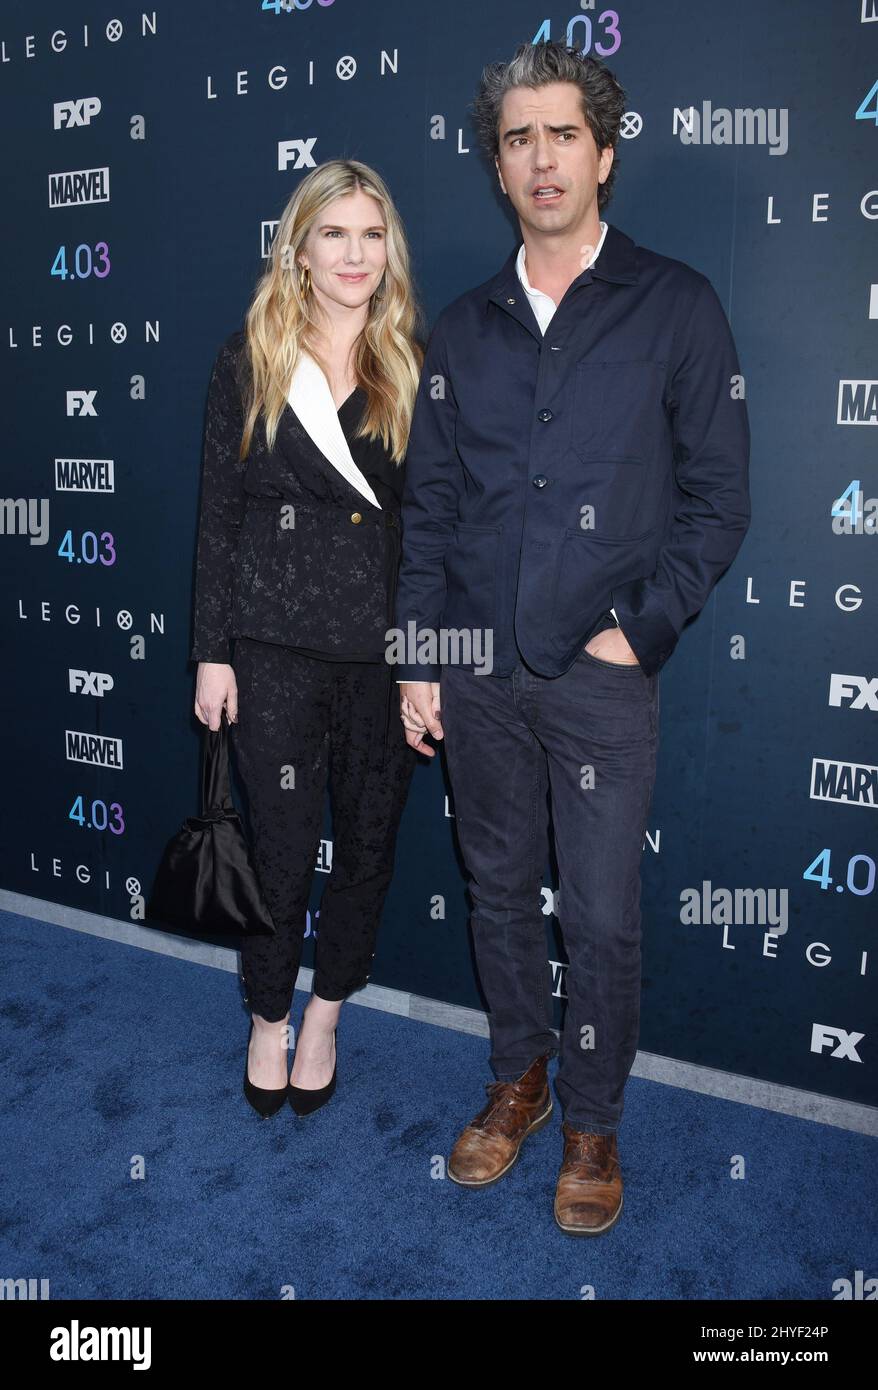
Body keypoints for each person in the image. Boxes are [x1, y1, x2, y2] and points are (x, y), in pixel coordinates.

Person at [394, 42, 751, 1233]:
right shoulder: (464, 326)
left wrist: (636, 634)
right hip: (478, 675)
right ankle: (522, 1082)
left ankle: (592, 1120)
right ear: (495, 167)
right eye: (515, 139)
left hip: (600, 679)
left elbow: (716, 499)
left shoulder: (676, 305)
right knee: (497, 893)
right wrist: (421, 657)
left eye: (560, 135)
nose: (539, 158)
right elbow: (432, 510)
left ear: (602, 151)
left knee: (595, 914)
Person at [190, 159, 422, 1118]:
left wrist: (432, 665)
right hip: (273, 651)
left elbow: (436, 529)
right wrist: (212, 649)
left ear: (388, 250)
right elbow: (220, 514)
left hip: (381, 657)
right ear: (300, 246)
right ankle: (267, 1017)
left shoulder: (413, 362)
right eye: (335, 234)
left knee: (367, 848)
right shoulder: (251, 357)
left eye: (372, 235)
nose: (355, 254)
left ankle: (327, 1012)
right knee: (280, 851)